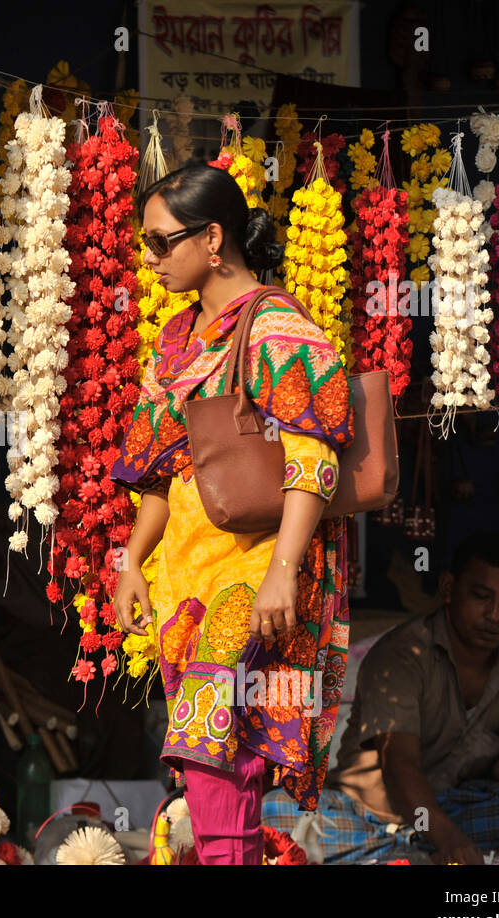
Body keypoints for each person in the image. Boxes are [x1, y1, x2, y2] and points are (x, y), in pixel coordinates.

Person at [112, 161, 355, 864]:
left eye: (161, 242)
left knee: (217, 757)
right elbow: (159, 470)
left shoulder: (279, 329)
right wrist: (133, 561)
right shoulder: (181, 338)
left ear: (212, 238)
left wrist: (283, 571)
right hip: (186, 580)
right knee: (215, 760)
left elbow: (315, 459)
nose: (149, 258)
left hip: (252, 574)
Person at [262, 530, 499, 864]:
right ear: (449, 589)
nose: (495, 615)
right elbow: (399, 764)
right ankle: (414, 850)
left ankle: (403, 853)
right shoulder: (402, 655)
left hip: (452, 805)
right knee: (275, 812)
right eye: (481, 597)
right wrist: (452, 842)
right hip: (369, 814)